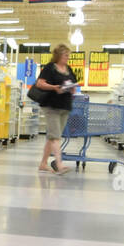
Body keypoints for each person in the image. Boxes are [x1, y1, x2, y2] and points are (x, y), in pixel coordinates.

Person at [33, 44, 79, 174]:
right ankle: (59, 165)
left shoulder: (69, 69)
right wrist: (54, 87)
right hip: (51, 106)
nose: (68, 57)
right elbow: (40, 83)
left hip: (65, 106)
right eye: (66, 55)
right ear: (58, 55)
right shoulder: (50, 68)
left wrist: (71, 88)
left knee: (51, 137)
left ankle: (43, 163)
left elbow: (74, 87)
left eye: (68, 55)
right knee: (55, 137)